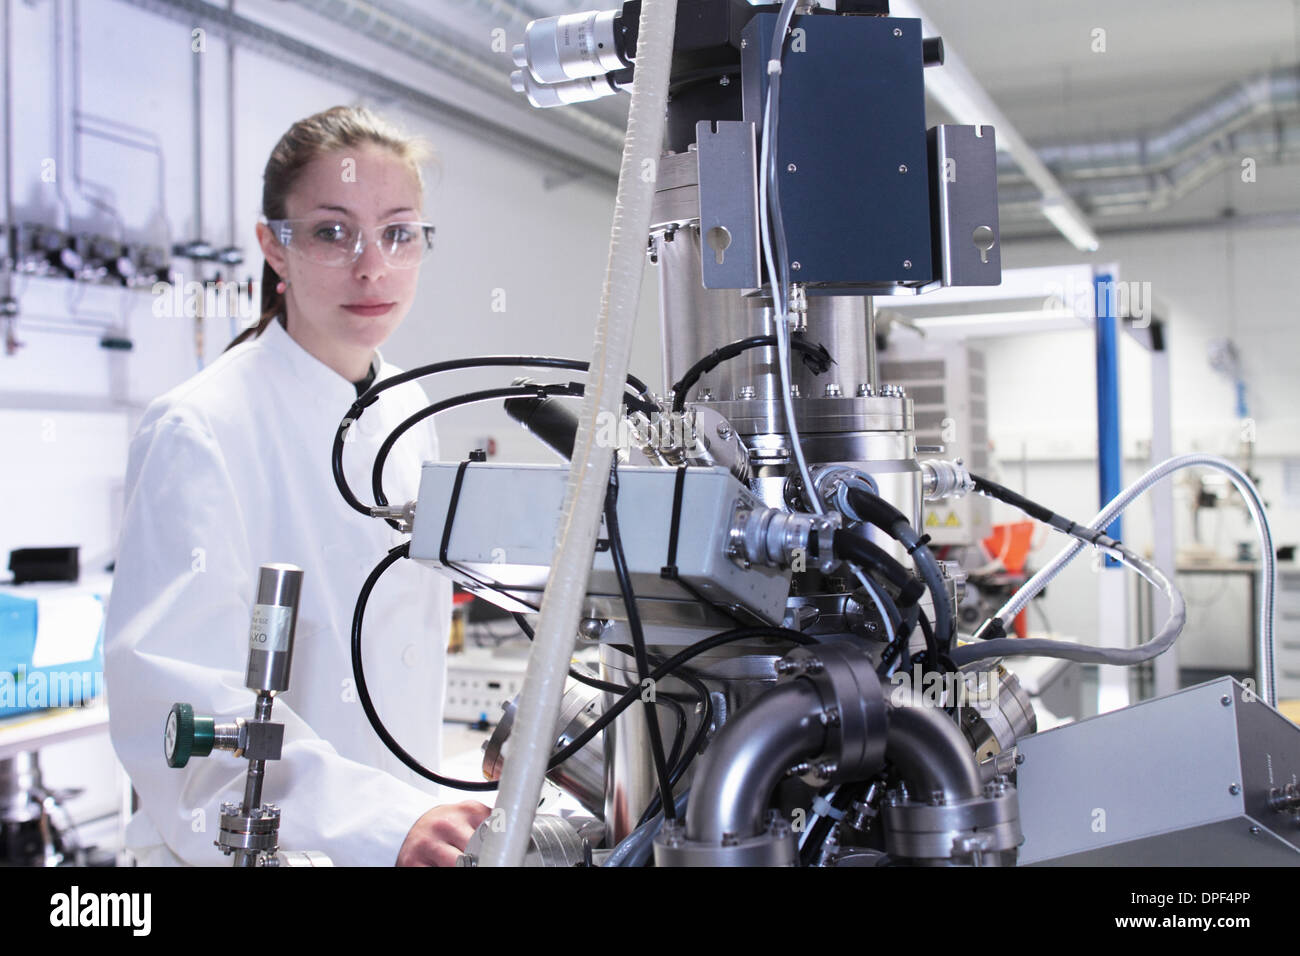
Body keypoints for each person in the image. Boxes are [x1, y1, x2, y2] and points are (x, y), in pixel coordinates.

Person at [104, 105, 491, 866]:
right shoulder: (202, 428)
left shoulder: (412, 411)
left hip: (402, 828)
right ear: (273, 247)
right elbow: (180, 714)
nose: (372, 266)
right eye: (331, 231)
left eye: (398, 232)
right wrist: (382, 827)